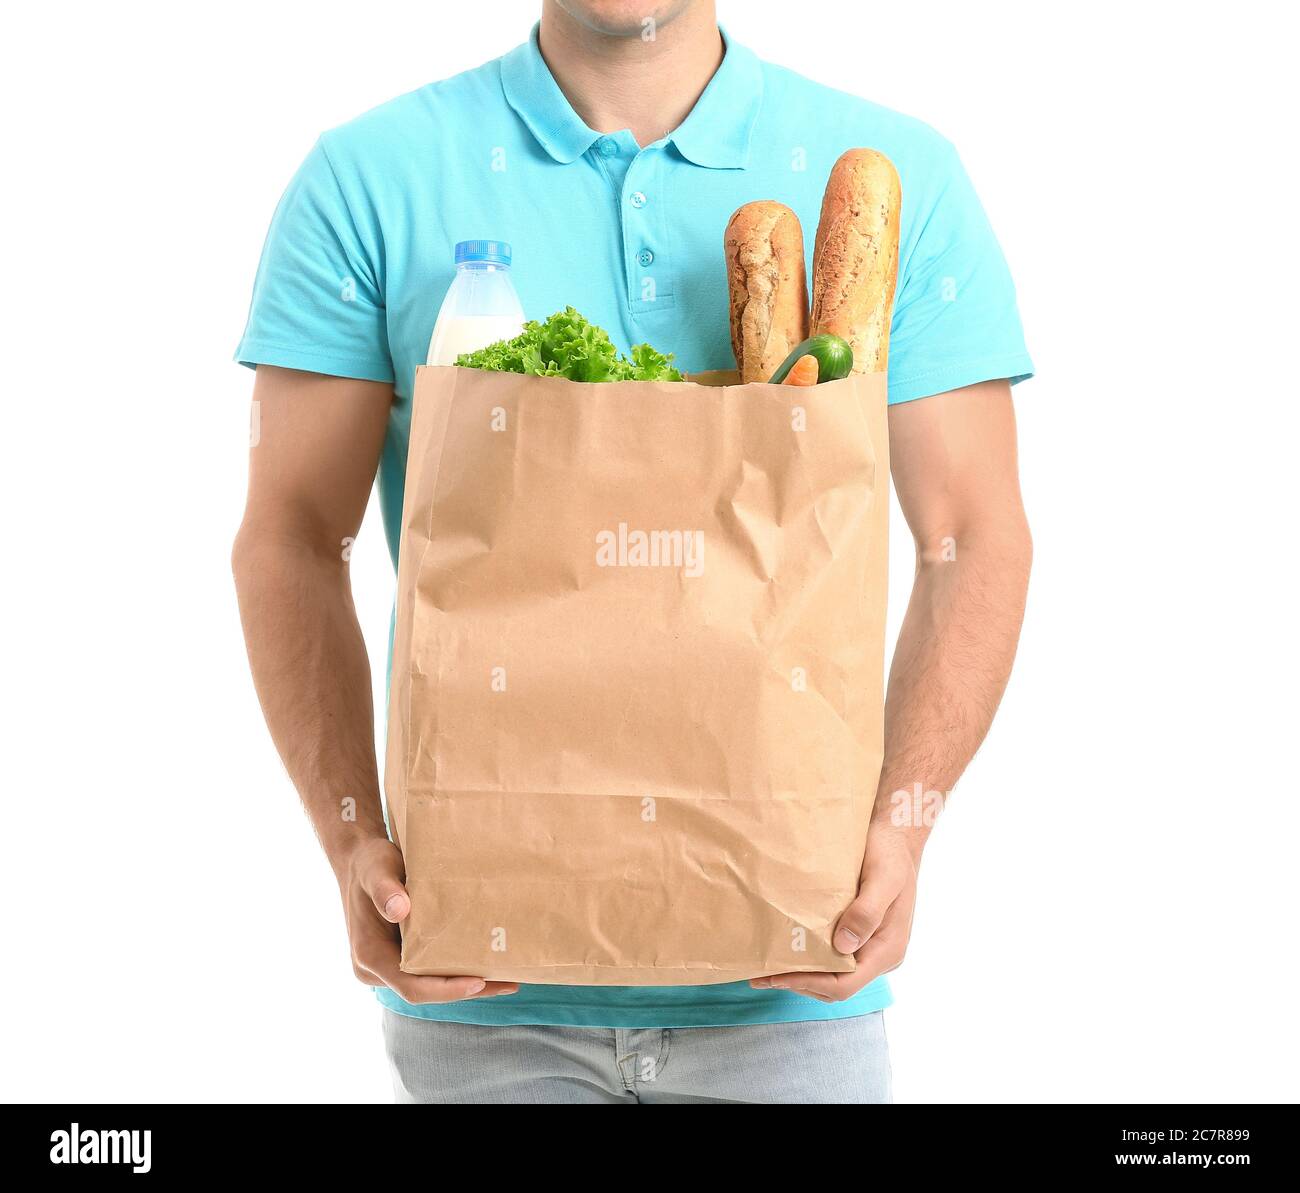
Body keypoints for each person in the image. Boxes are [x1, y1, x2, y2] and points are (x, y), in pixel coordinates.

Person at [232, 0, 1033, 1105]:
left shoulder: (903, 171)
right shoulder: (373, 176)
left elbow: (968, 535)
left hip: (792, 990)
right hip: (486, 996)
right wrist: (349, 836)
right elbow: (290, 536)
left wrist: (905, 822)